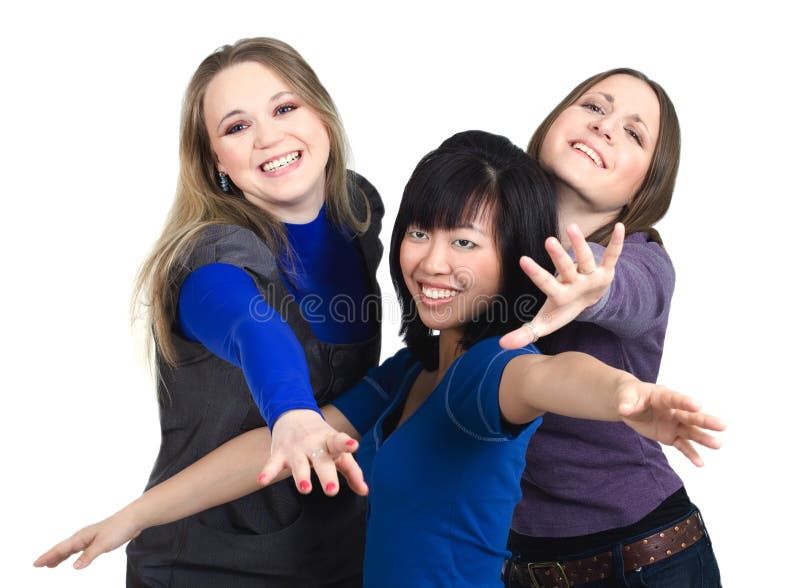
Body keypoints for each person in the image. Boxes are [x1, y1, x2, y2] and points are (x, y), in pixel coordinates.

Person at [35, 131, 724, 587]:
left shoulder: (486, 372)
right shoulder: (410, 375)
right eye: (421, 231)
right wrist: (134, 516)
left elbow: (549, 379)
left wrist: (626, 396)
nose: (430, 260)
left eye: (464, 243)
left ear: (511, 260)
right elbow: (280, 443)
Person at [42, 37, 385, 587]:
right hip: (213, 564)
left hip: (340, 551)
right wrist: (293, 412)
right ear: (214, 161)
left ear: (323, 115)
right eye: (236, 126)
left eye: (284, 107)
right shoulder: (210, 260)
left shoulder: (358, 215)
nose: (270, 136)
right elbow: (253, 326)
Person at [500, 69, 723, 587]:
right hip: (523, 563)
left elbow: (627, 292)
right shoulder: (493, 243)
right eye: (594, 107)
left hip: (647, 559)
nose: (604, 127)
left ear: (644, 186)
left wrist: (591, 284)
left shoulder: (645, 264)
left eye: (634, 132)